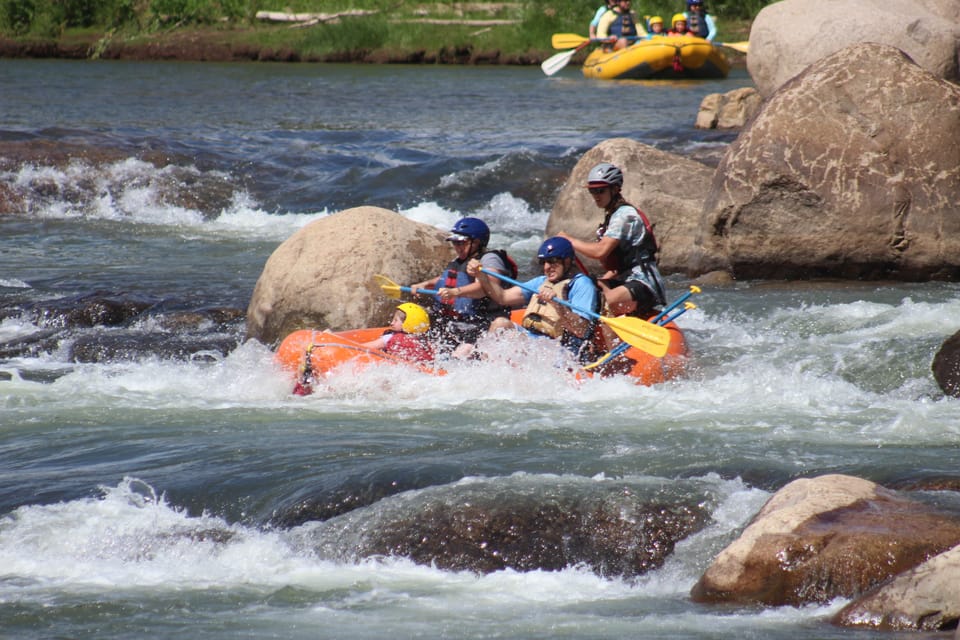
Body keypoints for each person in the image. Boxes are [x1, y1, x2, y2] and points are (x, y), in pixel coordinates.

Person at [557, 162, 666, 322]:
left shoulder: (625, 215)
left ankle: (601, 343)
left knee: (600, 303)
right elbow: (616, 267)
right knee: (588, 290)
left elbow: (600, 251)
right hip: (625, 279)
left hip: (644, 284)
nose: (596, 195)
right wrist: (598, 282)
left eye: (600, 190)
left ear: (615, 189)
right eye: (593, 191)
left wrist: (569, 240)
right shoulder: (612, 216)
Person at [469, 237, 599, 363]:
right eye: (544, 262)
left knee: (514, 350)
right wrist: (481, 276)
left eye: (553, 261)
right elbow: (502, 297)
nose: (547, 267)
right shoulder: (542, 281)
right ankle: (486, 369)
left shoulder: (582, 285)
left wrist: (557, 305)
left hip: (560, 348)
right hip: (532, 339)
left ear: (567, 261)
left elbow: (581, 329)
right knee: (500, 324)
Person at [408, 217, 516, 351]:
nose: (457, 247)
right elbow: (447, 278)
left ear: (476, 242)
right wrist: (425, 284)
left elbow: (486, 287)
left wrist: (455, 292)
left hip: (482, 324)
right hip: (457, 323)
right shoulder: (460, 260)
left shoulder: (490, 259)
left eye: (461, 243)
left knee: (458, 356)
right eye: (454, 243)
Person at [360, 302, 434, 363]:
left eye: (395, 320)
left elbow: (364, 348)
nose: (391, 323)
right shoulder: (424, 343)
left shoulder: (390, 337)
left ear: (407, 323)